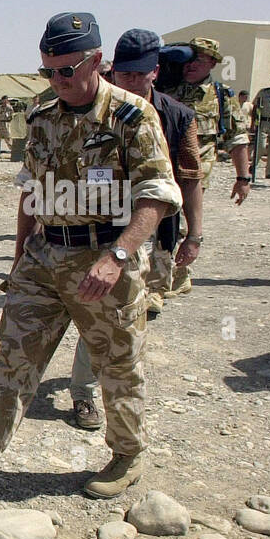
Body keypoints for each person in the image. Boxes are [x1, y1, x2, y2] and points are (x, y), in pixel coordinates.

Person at [0, 12, 180, 503]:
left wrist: (119, 254)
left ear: (97, 61)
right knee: (12, 361)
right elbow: (30, 193)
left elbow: (158, 194)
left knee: (118, 362)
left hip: (105, 258)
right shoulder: (42, 118)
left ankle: (127, 454)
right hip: (45, 257)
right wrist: (20, 257)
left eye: (67, 70)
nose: (58, 81)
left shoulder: (132, 116)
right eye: (49, 72)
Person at [68, 29, 202, 430]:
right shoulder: (94, 111)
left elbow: (190, 178)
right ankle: (84, 392)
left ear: (155, 72)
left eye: (136, 75)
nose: (127, 81)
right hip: (104, 237)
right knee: (100, 315)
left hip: (156, 231)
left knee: (136, 317)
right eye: (121, 73)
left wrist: (194, 235)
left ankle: (119, 398)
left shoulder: (177, 116)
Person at [253, 73, 270, 180]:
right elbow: (256, 108)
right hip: (263, 122)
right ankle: (253, 166)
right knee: (261, 146)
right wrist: (253, 123)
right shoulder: (263, 92)